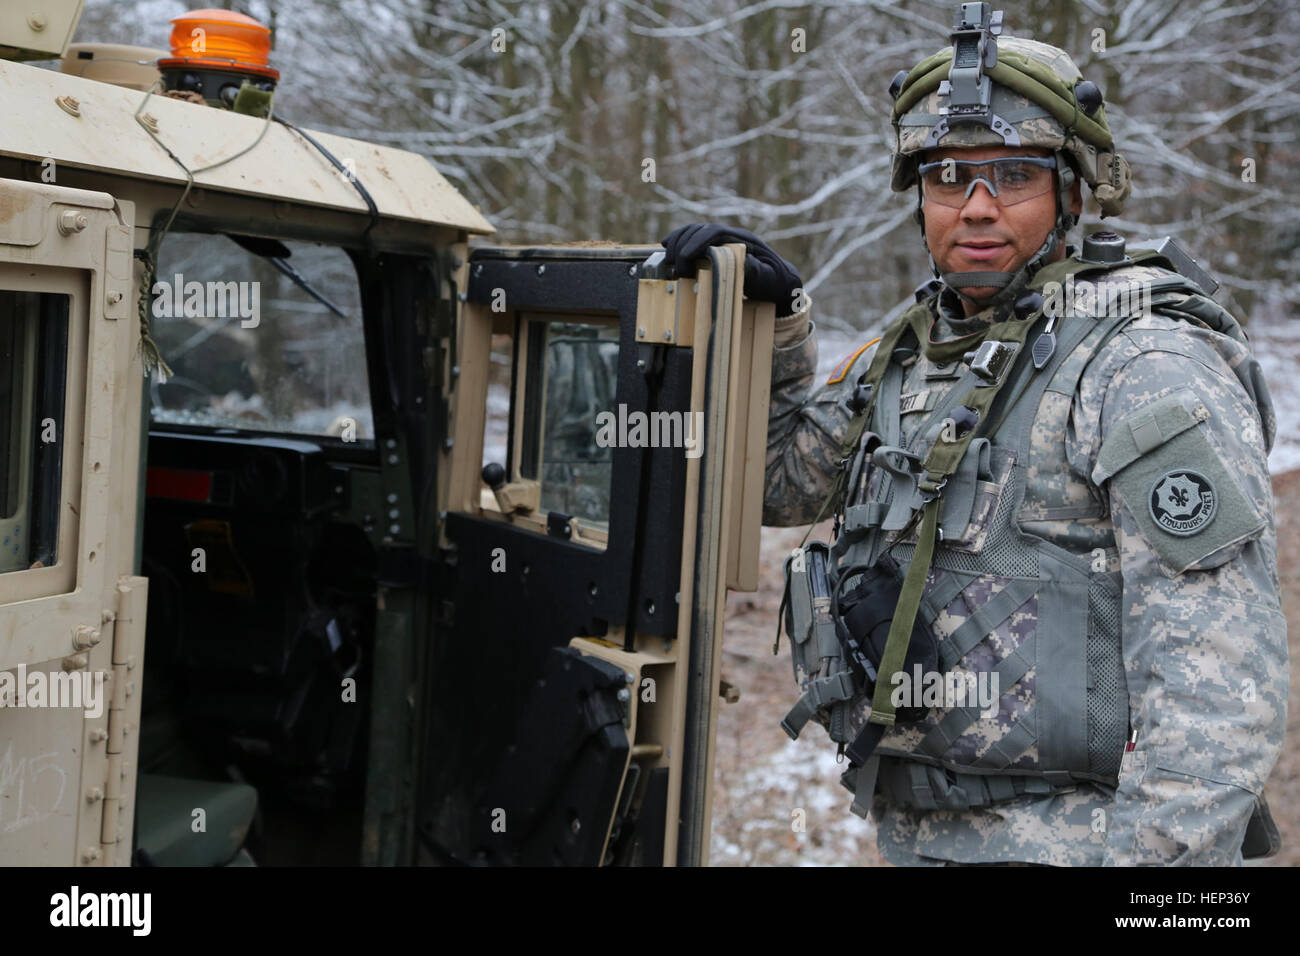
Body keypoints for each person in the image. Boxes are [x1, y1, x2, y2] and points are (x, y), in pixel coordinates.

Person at [660, 3, 1287, 866]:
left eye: (1014, 176)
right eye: (949, 177)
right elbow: (780, 483)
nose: (977, 208)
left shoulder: (1142, 359)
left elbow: (1219, 696)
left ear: (1073, 189)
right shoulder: (914, 350)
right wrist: (777, 321)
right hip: (922, 836)